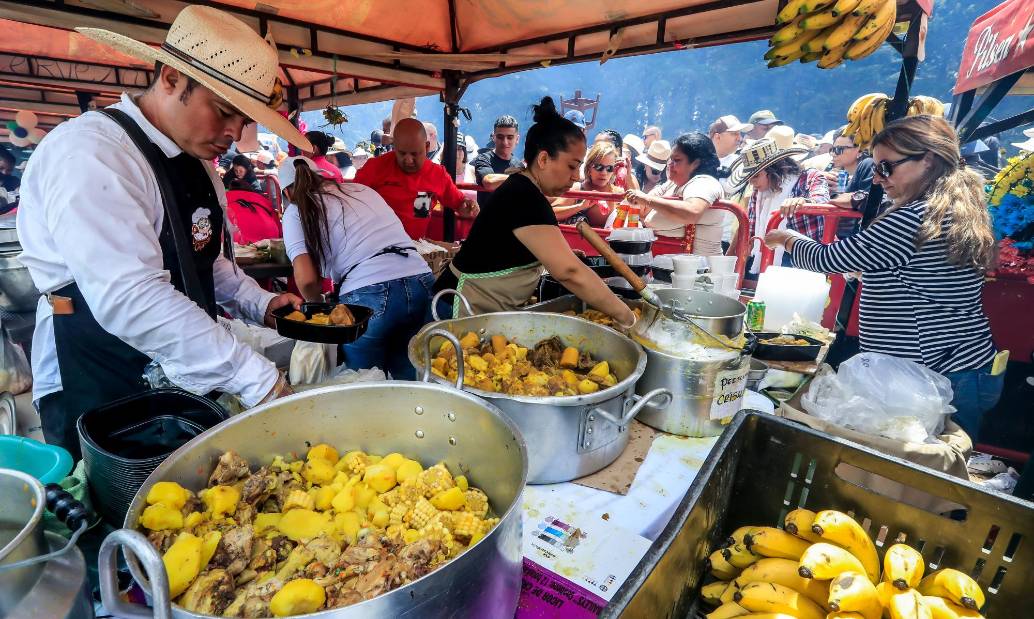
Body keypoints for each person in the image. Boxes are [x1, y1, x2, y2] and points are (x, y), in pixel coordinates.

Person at [17, 5, 306, 456]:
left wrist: (261, 303)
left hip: (178, 380)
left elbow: (208, 262)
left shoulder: (200, 165)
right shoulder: (92, 153)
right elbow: (130, 297)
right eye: (224, 111)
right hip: (95, 377)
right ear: (171, 78)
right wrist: (257, 379)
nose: (234, 132)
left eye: (244, 121)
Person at [765, 115, 1002, 438]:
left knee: (925, 476)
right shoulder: (950, 209)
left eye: (886, 167)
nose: (877, 179)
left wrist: (785, 237)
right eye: (875, 168)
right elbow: (919, 278)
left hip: (939, 375)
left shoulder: (915, 218)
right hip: (959, 366)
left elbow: (827, 258)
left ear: (928, 160)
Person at [434, 97, 635, 326]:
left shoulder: (523, 189)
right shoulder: (525, 197)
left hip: (473, 305)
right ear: (543, 159)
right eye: (572, 165)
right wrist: (627, 315)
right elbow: (569, 272)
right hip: (457, 308)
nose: (577, 176)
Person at [279, 157, 433, 379]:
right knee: (409, 380)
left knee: (361, 384)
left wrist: (318, 304)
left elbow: (307, 280)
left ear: (286, 193)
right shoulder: (360, 190)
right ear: (321, 175)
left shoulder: (295, 210)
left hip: (369, 292)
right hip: (420, 280)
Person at [354, 118, 478, 240]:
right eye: (402, 153)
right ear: (395, 147)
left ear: (427, 147)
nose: (408, 160)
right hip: (375, 246)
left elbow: (458, 202)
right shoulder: (375, 168)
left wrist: (466, 206)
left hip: (415, 247)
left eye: (414, 154)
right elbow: (350, 200)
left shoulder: (437, 175)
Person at [729, 138, 830, 275]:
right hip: (763, 258)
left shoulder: (809, 178)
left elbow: (822, 201)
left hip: (802, 259)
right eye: (749, 178)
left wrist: (802, 202)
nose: (752, 183)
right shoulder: (758, 193)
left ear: (773, 169)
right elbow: (751, 231)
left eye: (756, 176)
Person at [625, 133, 728, 255]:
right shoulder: (671, 184)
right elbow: (642, 208)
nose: (670, 165)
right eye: (671, 160)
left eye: (677, 160)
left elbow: (692, 212)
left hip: (701, 269)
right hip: (668, 266)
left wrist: (647, 199)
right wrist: (628, 178)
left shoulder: (705, 182)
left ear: (696, 163)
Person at [551, 141, 620, 227]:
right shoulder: (579, 189)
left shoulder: (619, 193)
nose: (604, 173)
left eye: (609, 168)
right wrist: (580, 206)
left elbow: (640, 215)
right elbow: (550, 214)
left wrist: (628, 178)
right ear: (589, 167)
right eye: (599, 167)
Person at [825, 130, 874, 238]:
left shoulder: (869, 167)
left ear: (860, 151)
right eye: (832, 149)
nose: (833, 153)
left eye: (839, 149)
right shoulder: (829, 174)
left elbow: (871, 204)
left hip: (857, 240)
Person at [472, 115, 521, 205]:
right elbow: (489, 182)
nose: (505, 142)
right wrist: (522, 178)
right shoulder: (483, 159)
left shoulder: (519, 165)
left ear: (517, 139)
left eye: (510, 137)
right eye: (500, 137)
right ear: (494, 137)